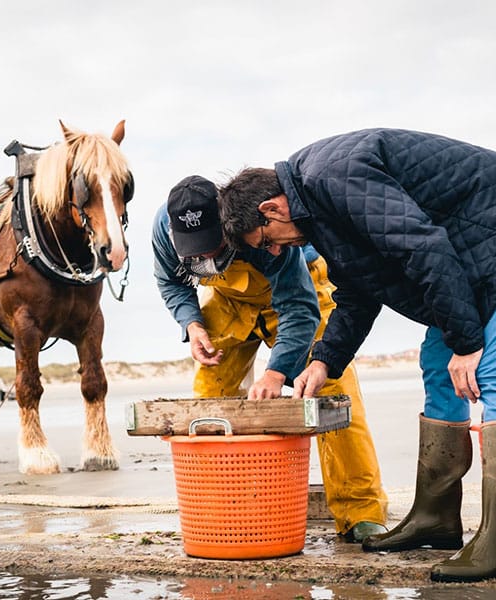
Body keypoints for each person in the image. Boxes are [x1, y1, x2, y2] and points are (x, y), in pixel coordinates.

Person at [217, 128, 496, 583]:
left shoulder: (335, 177)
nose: (275, 250)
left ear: (270, 208)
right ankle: (437, 518)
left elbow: (422, 246)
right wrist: (323, 361)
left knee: (491, 366)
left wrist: (468, 344)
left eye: (266, 238)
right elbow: (356, 291)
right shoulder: (317, 208)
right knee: (437, 364)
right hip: (460, 238)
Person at [153, 175, 388, 540]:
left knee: (331, 393)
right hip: (232, 303)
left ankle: (361, 512)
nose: (206, 258)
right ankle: (221, 507)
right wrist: (193, 324)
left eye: (213, 248)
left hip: (300, 292)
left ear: (230, 227)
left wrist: (276, 372)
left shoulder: (262, 235)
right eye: (196, 253)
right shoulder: (164, 230)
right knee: (208, 393)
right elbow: (170, 282)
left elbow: (298, 309)